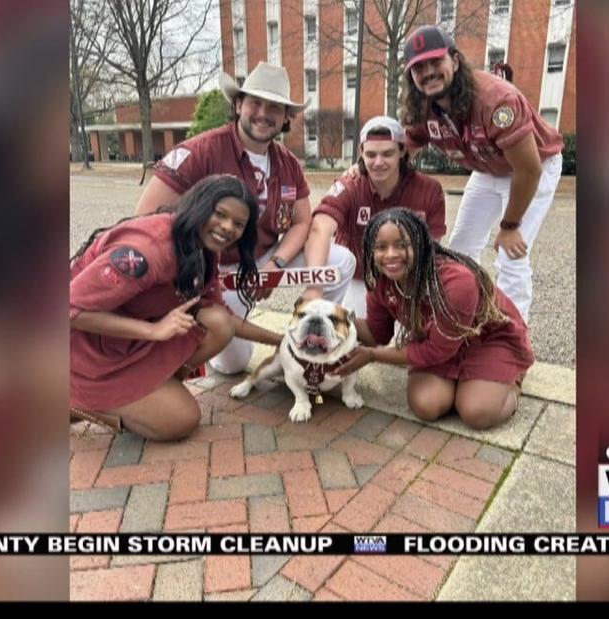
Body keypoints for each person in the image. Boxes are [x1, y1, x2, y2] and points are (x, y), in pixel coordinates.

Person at [134, 61, 355, 374]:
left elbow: (302, 222)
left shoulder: (289, 163)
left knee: (341, 261)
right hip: (217, 273)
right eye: (255, 102)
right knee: (233, 365)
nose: (264, 113)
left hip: (264, 259)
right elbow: (145, 218)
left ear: (286, 117)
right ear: (238, 104)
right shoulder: (201, 151)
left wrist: (274, 264)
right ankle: (205, 332)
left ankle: (318, 335)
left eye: (275, 107)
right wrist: (195, 276)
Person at [70, 175, 282, 440]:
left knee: (218, 323)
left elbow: (224, 317)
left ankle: (152, 389)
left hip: (127, 341)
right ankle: (77, 402)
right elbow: (71, 310)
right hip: (86, 352)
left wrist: (283, 341)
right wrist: (154, 330)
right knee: (181, 421)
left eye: (239, 224)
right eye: (220, 214)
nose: (228, 228)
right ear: (200, 206)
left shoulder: (203, 247)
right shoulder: (146, 252)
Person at [400, 25, 565, 321]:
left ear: (455, 60)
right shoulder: (421, 106)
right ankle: (462, 318)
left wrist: (510, 224)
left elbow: (528, 169)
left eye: (435, 62)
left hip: (531, 168)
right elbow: (403, 152)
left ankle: (512, 341)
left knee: (510, 253)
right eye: (418, 67)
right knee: (461, 248)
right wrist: (364, 173)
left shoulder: (495, 99)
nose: (428, 72)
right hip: (488, 169)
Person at [336, 207, 534, 430]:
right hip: (439, 339)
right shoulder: (384, 282)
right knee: (426, 406)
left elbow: (436, 351)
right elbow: (376, 333)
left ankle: (511, 382)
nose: (390, 255)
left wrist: (372, 356)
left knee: (476, 413)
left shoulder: (456, 281)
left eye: (401, 245)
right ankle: (466, 385)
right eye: (381, 247)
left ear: (420, 245)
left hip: (487, 339)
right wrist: (333, 319)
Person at [304, 115, 446, 318]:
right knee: (350, 340)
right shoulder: (350, 185)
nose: (378, 163)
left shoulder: (429, 190)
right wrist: (315, 285)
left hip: (408, 280)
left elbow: (432, 248)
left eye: (387, 153)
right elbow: (320, 228)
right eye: (371, 154)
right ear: (361, 152)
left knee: (417, 341)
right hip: (361, 280)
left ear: (402, 150)